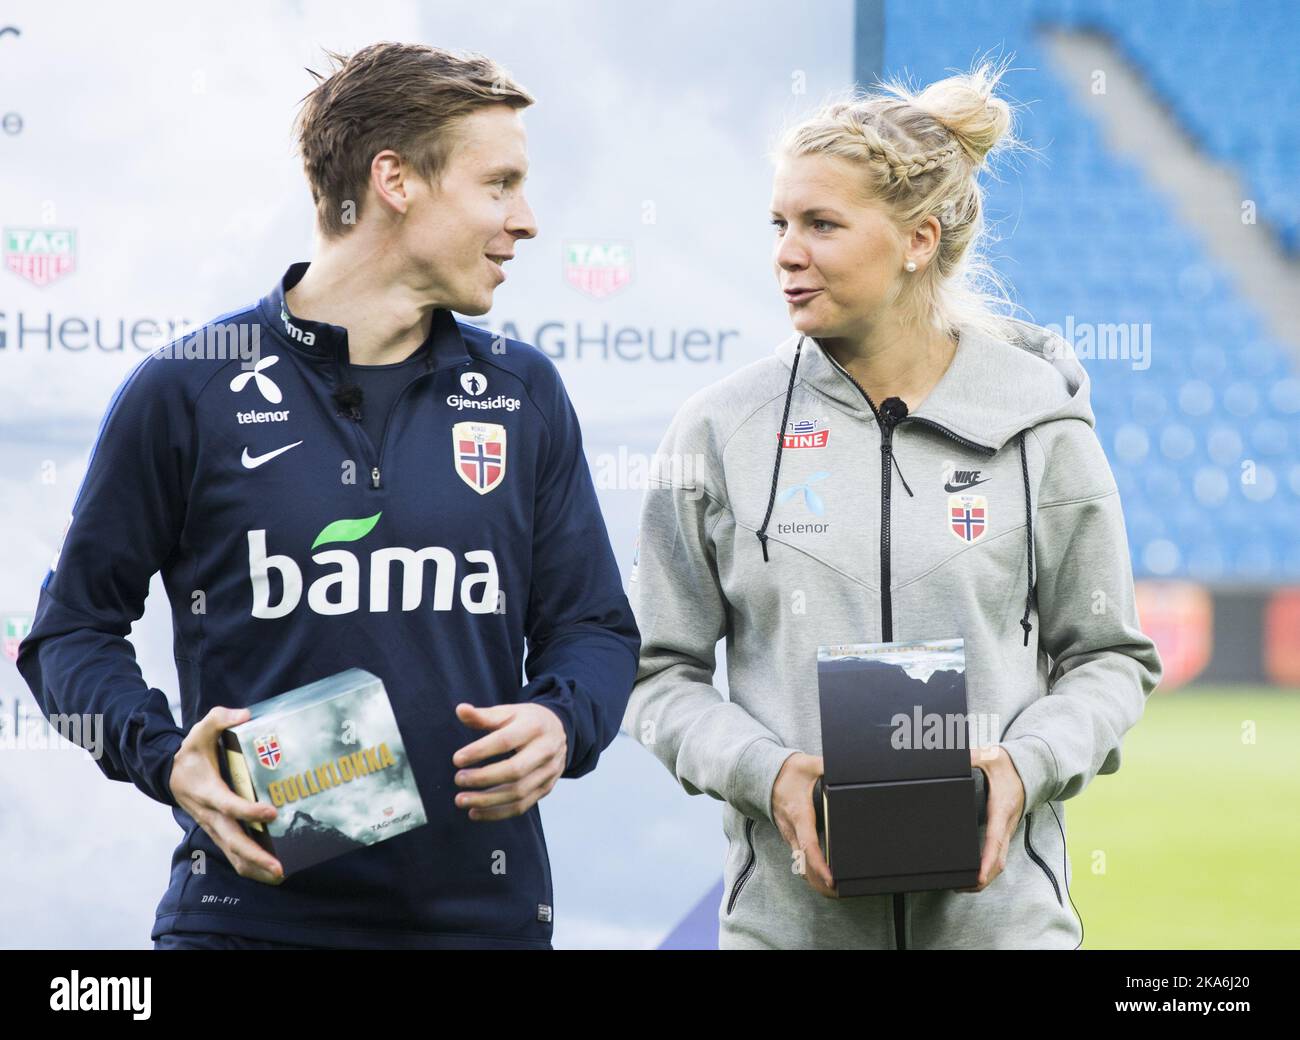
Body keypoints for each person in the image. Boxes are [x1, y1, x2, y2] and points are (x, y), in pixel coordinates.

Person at [17, 42, 639, 950]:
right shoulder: (190, 386)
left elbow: (594, 628)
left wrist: (560, 719)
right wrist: (164, 759)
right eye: (499, 184)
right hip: (248, 923)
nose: (527, 220)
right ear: (395, 180)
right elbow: (69, 631)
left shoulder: (522, 391)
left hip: (481, 925)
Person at [622, 61, 1163, 950]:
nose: (786, 252)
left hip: (1004, 930)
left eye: (822, 224)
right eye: (780, 223)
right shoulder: (720, 430)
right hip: (784, 929)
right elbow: (656, 672)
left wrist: (1022, 770)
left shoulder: (1043, 427)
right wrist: (770, 773)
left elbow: (1108, 657)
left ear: (917, 239)